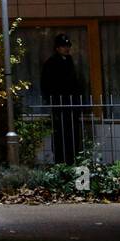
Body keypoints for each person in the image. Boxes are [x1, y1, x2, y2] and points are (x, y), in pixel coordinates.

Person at [40, 33, 84, 165]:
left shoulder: (69, 61)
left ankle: (73, 159)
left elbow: (73, 82)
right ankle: (61, 160)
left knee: (73, 132)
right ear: (57, 48)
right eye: (63, 46)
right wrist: (51, 100)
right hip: (59, 104)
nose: (66, 48)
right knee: (60, 133)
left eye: (67, 46)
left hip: (71, 104)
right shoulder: (51, 63)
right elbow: (46, 84)